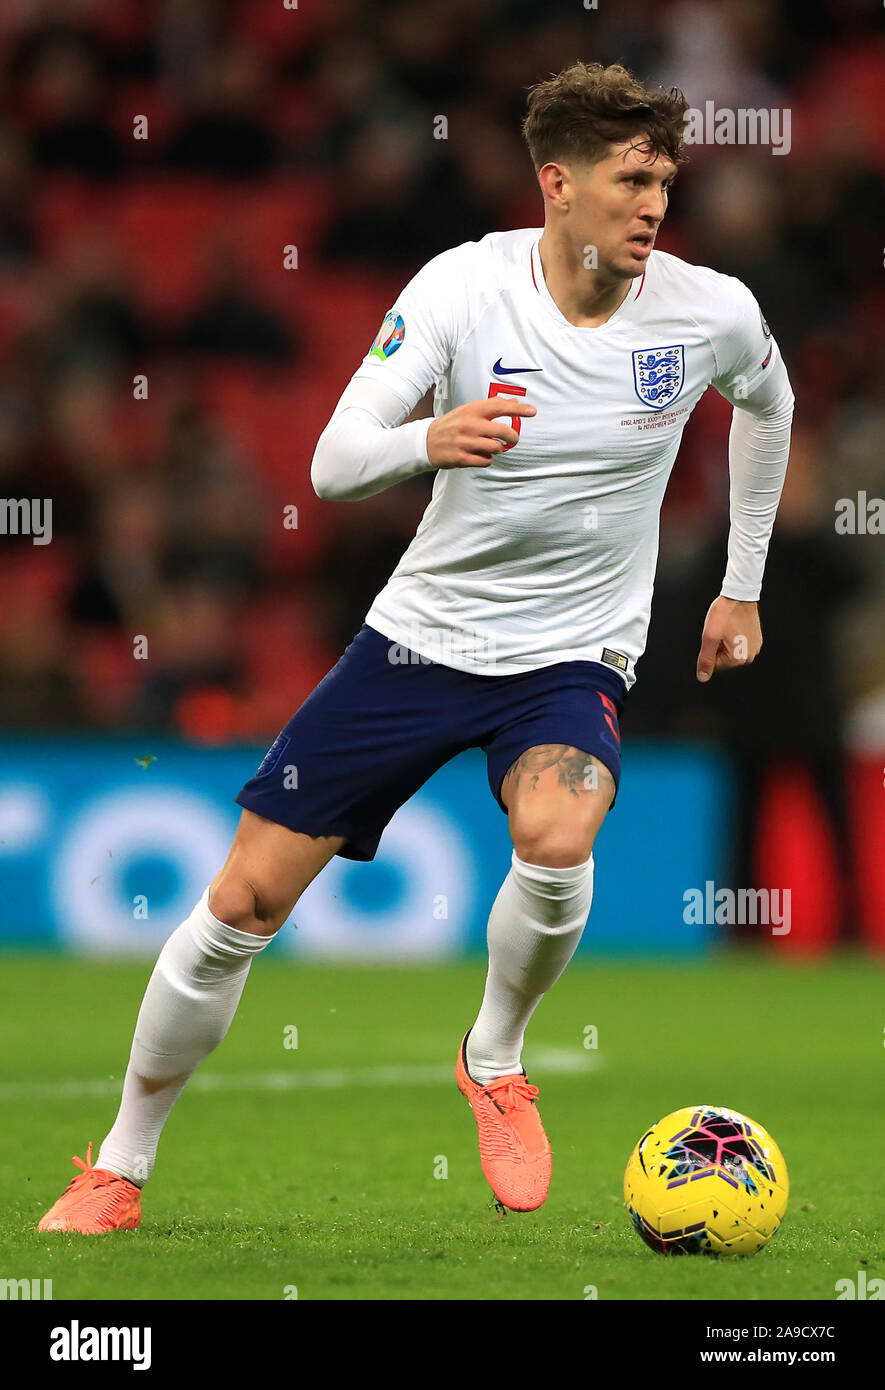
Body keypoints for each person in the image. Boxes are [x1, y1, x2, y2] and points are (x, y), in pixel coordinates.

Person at [39, 61, 794, 1233]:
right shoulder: (462, 289)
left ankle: (494, 1058)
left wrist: (739, 588)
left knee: (561, 824)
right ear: (558, 183)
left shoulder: (708, 312)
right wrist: (430, 438)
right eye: (631, 179)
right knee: (241, 899)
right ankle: (120, 1168)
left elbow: (769, 402)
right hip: (423, 639)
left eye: (665, 181)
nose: (655, 205)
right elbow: (332, 463)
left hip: (573, 651)